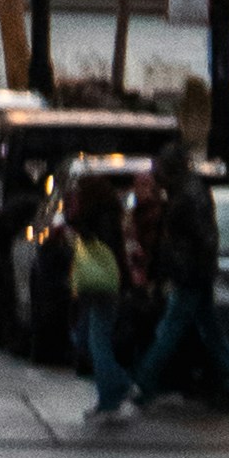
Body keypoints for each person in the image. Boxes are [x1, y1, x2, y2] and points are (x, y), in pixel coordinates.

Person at [134, 146, 229, 412]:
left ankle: (143, 382)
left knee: (170, 328)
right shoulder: (187, 191)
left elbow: (201, 238)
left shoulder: (187, 195)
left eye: (159, 169)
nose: (156, 175)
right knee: (207, 326)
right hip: (194, 270)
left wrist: (187, 265)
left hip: (190, 272)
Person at [70, 179, 139, 425]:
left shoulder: (96, 219)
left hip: (101, 287)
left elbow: (104, 248)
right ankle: (110, 395)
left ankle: (118, 388)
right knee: (88, 338)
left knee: (96, 341)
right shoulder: (109, 216)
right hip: (104, 286)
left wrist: (75, 220)